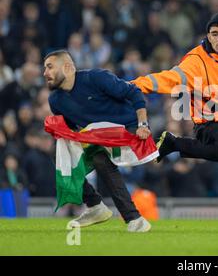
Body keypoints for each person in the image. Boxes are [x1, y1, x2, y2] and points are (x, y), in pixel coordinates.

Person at [132, 9, 218, 232]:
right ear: (208, 35)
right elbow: (171, 78)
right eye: (214, 33)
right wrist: (135, 85)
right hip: (208, 121)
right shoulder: (196, 60)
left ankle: (175, 144)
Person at [43, 50, 151, 232]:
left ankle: (134, 218)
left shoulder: (96, 78)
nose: (45, 73)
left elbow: (134, 92)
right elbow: (73, 129)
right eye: (45, 68)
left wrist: (143, 123)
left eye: (50, 67)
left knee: (100, 158)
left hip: (128, 128)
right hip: (97, 137)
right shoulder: (55, 100)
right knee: (58, 149)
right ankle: (95, 205)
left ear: (68, 67)